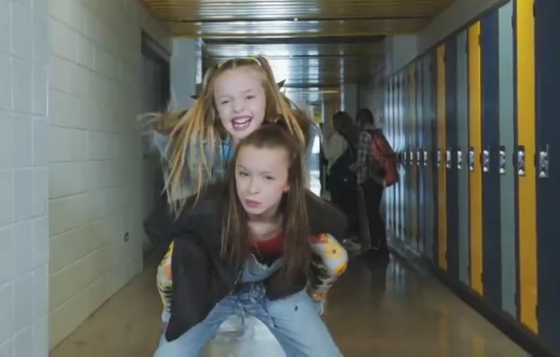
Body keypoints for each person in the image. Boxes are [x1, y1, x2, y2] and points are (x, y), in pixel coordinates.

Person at [148, 56, 348, 330]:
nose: (238, 108)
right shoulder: (207, 147)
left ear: (267, 99)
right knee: (170, 262)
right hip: (226, 233)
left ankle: (315, 299)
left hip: (272, 236)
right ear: (216, 108)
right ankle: (172, 311)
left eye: (249, 97)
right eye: (226, 101)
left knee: (335, 257)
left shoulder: (285, 141)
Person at [155, 124, 345, 356]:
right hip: (213, 290)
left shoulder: (307, 214)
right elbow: (166, 260)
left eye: (268, 177)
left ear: (288, 183)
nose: (252, 189)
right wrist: (171, 312)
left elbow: (336, 251)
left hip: (278, 291)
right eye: (244, 174)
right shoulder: (205, 211)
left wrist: (315, 302)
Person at [352, 108, 392, 254]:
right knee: (375, 212)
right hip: (378, 178)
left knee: (371, 213)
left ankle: (376, 245)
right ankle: (381, 244)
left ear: (360, 121)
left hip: (369, 180)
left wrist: (351, 168)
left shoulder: (364, 135)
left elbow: (362, 161)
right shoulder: (378, 134)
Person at [323, 111, 362, 250]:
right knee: (349, 208)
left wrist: (323, 138)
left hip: (338, 179)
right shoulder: (349, 137)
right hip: (347, 179)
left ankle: (344, 237)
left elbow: (328, 155)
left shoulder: (336, 138)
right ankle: (352, 237)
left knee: (339, 209)